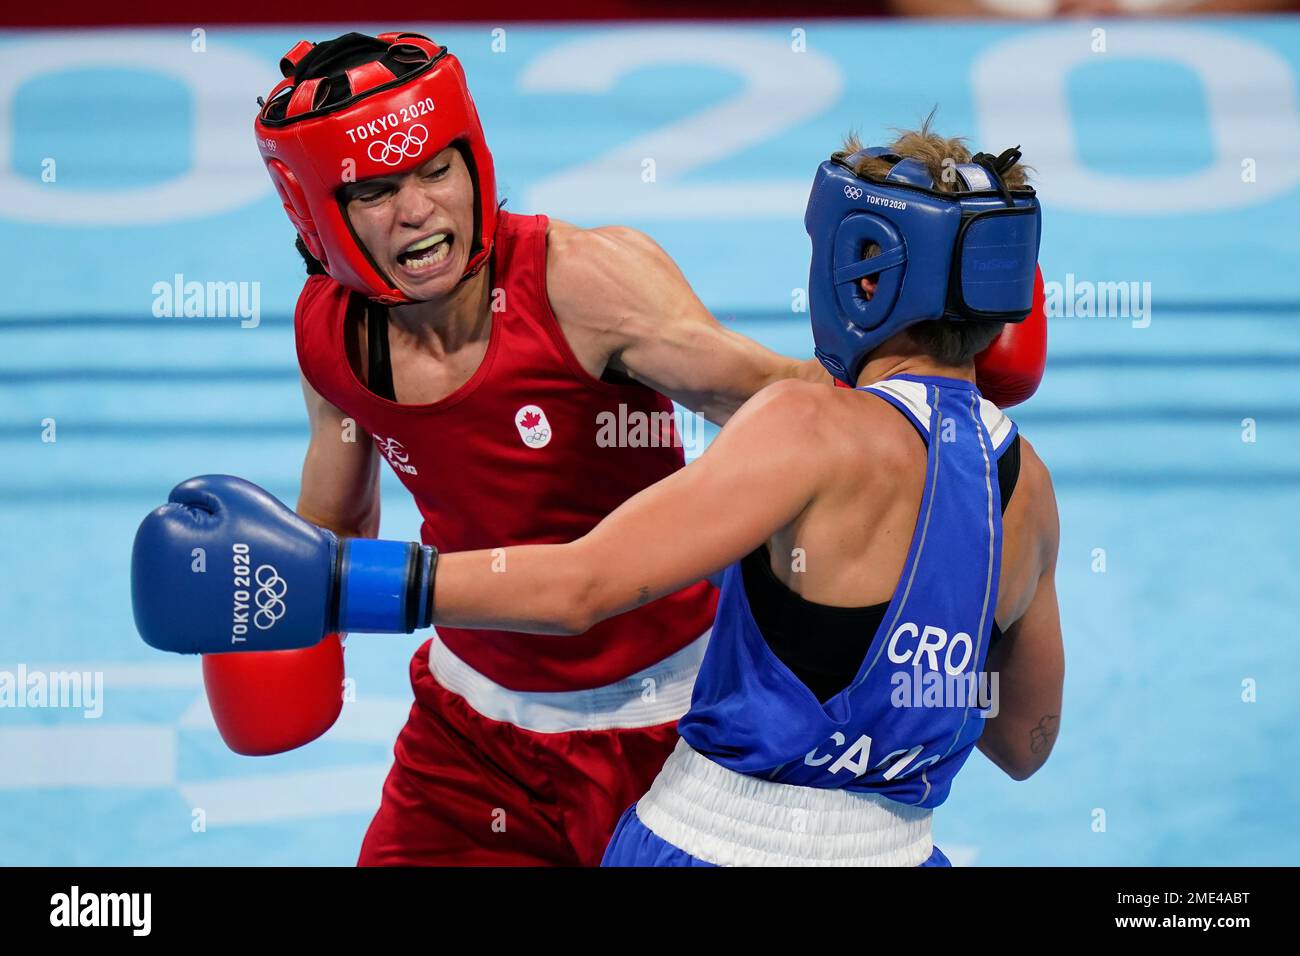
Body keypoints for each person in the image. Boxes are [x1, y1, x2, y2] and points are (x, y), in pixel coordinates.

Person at [133, 122, 1059, 866]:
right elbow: (1023, 743)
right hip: (889, 841)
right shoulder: (1027, 491)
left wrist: (339, 583)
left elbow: (581, 588)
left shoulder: (791, 422)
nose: (415, 208)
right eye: (378, 189)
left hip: (693, 812)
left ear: (861, 273)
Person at [219, 29, 832, 866]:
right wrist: (270, 608)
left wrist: (928, 357)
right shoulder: (331, 335)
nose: (419, 208)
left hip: (686, 729)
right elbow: (335, 523)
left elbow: (778, 402)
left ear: (475, 160)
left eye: (437, 169)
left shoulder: (584, 283)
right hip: (472, 742)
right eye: (377, 189)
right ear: (318, 215)